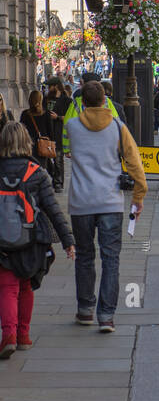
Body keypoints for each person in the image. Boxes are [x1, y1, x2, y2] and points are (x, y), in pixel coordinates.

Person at [66, 80, 147, 333]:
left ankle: (85, 310)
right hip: (111, 202)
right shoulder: (117, 127)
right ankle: (106, 316)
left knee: (84, 256)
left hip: (81, 202)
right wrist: (138, 196)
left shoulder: (71, 126)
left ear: (83, 101)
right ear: (104, 101)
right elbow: (135, 164)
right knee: (110, 258)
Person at [0, 121, 76, 358]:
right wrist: (68, 240)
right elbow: (53, 210)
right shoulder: (37, 173)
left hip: (2, 242)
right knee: (25, 286)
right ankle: (23, 336)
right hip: (31, 239)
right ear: (27, 143)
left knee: (7, 287)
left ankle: (8, 336)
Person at [20, 89, 61, 189]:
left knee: (30, 167)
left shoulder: (25, 114)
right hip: (42, 145)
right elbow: (50, 131)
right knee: (42, 166)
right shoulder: (46, 114)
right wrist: (52, 143)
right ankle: (51, 182)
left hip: (29, 146)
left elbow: (21, 130)